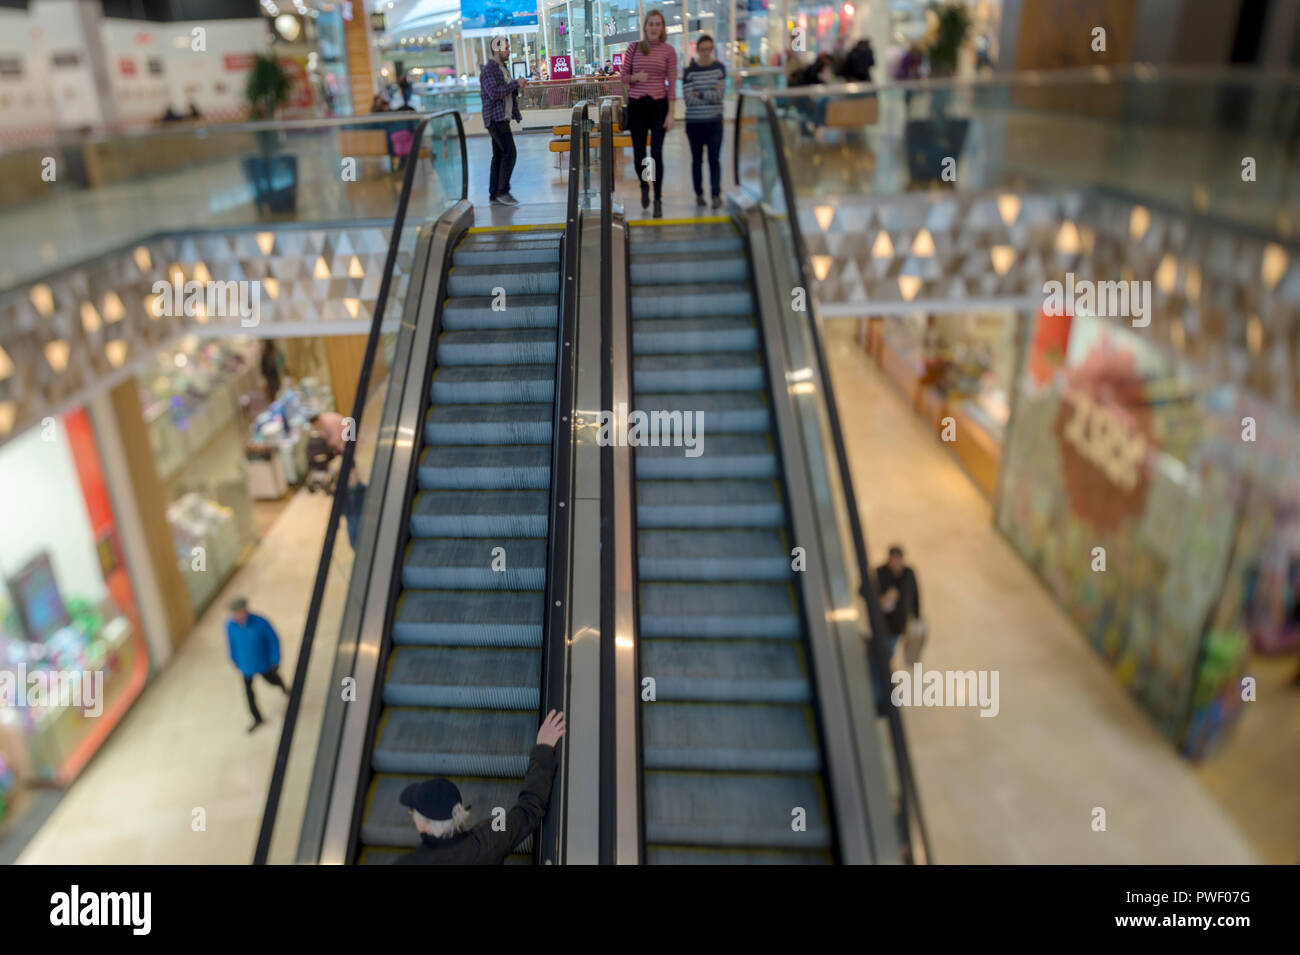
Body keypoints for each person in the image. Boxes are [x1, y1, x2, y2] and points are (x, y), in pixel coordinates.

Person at [393, 710, 567, 864]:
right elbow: (528, 808)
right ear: (459, 814)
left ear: (422, 826)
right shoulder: (490, 838)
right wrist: (543, 748)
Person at [621, 9, 677, 218]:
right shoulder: (634, 48)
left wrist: (671, 113)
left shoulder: (668, 51)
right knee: (639, 156)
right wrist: (636, 77)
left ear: (662, 28)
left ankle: (657, 199)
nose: (654, 27)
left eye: (658, 24)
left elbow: (671, 84)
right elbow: (624, 77)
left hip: (658, 107)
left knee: (657, 153)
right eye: (651, 24)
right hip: (637, 106)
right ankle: (644, 184)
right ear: (645, 27)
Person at [225, 597, 290, 732]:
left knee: (272, 680)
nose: (235, 616)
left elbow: (273, 641)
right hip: (246, 666)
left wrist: (275, 659)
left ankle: (284, 687)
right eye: (233, 613)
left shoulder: (260, 622)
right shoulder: (230, 626)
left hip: (263, 663)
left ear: (244, 610)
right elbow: (231, 643)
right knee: (249, 693)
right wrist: (234, 659)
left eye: (237, 612)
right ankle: (257, 718)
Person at [480, 35, 527, 207]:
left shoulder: (502, 68)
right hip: (495, 118)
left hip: (502, 118)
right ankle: (502, 191)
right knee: (510, 153)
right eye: (506, 48)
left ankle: (495, 193)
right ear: (496, 50)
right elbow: (495, 93)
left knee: (499, 155)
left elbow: (505, 92)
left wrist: (516, 85)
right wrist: (515, 84)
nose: (508, 51)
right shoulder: (489, 70)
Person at [683, 34, 726, 210]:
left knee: (714, 159)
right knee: (697, 160)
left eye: (709, 49)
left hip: (714, 122)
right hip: (694, 123)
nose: (706, 53)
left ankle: (716, 194)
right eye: (703, 49)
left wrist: (699, 94)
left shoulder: (719, 69)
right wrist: (710, 95)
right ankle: (699, 193)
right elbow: (688, 99)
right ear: (698, 50)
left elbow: (720, 95)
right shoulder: (689, 71)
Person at [876, 544, 922, 664]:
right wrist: (882, 599)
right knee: (884, 651)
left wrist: (917, 615)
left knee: (890, 649)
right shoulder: (879, 573)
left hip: (899, 623)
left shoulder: (908, 573)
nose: (895, 563)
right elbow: (865, 592)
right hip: (882, 622)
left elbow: (915, 594)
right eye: (893, 559)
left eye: (898, 560)